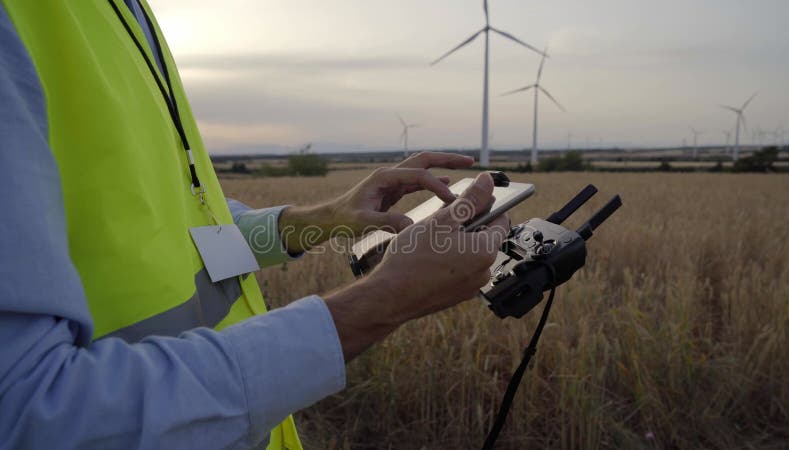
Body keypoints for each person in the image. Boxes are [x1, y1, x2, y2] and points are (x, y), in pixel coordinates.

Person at [0, 1, 508, 449]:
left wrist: (327, 220)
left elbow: (181, 242)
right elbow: (28, 417)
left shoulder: (121, 13)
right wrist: (385, 299)